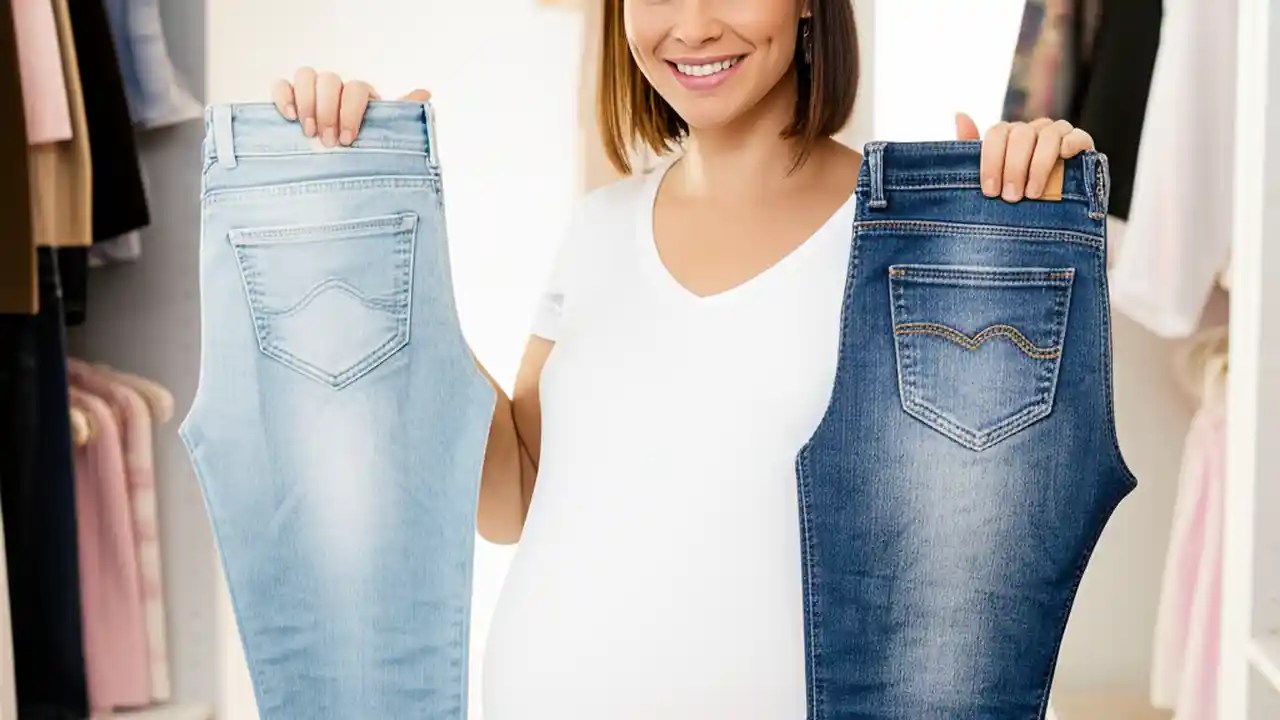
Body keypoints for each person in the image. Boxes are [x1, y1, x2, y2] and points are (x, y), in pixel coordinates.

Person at [270, 1, 1096, 717]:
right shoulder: (598, 227)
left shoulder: (925, 247)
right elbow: (512, 495)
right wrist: (372, 211)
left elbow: (994, 552)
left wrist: (1020, 220)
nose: (694, 25)